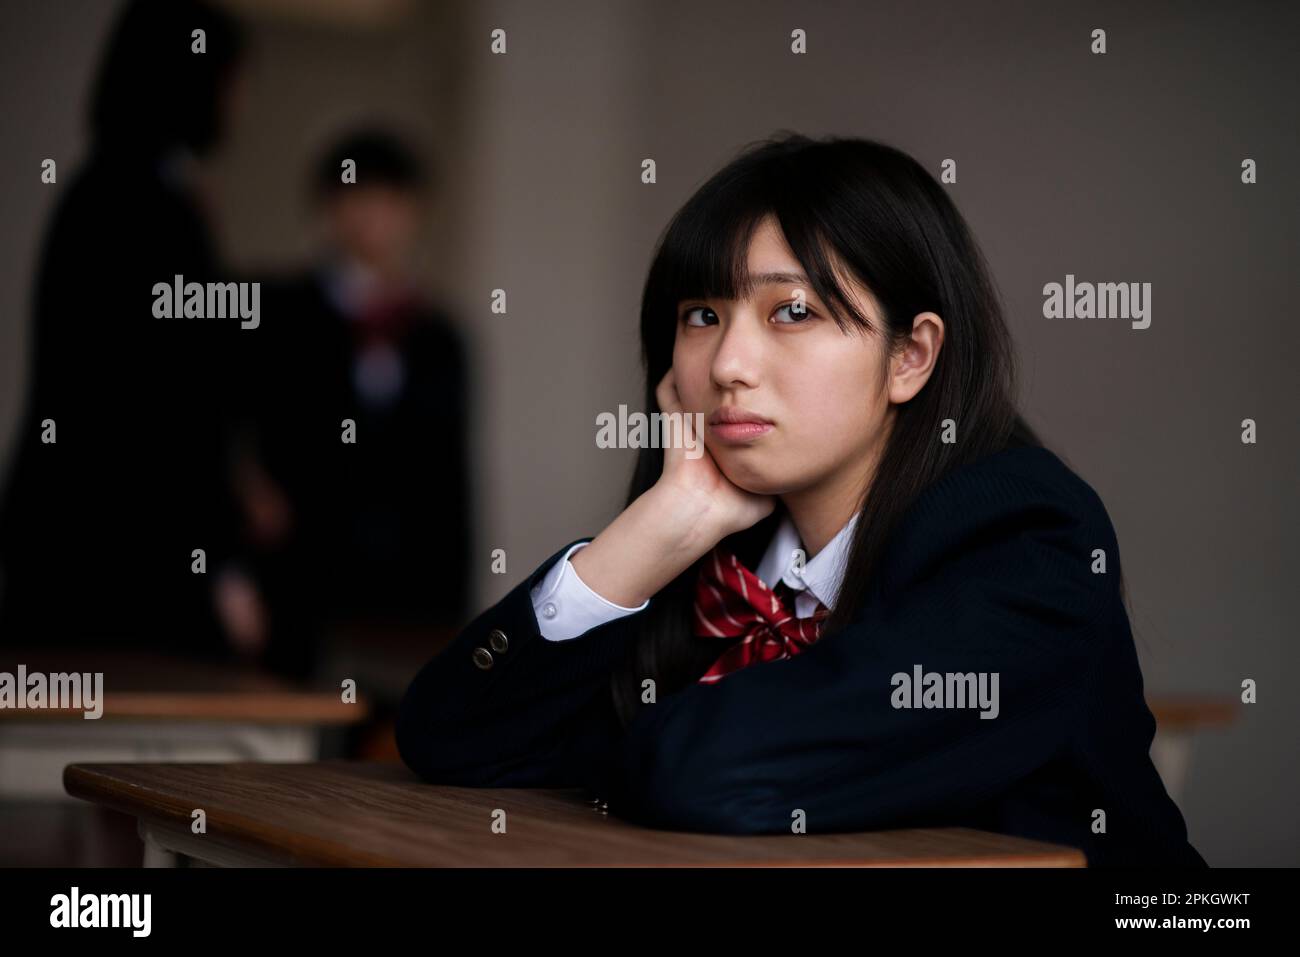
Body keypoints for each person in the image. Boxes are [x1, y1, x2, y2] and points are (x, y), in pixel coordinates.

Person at [394, 133, 1206, 868]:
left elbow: (708, 773)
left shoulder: (1023, 532)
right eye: (703, 313)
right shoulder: (723, 552)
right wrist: (653, 533)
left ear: (910, 357)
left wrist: (624, 754)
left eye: (793, 311)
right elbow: (448, 737)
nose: (728, 364)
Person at [0, 0, 251, 656]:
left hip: (70, 532)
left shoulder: (97, 192)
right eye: (232, 80)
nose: (240, 103)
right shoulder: (151, 208)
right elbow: (173, 398)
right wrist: (219, 559)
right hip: (126, 547)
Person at [229, 129, 472, 678]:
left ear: (415, 211)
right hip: (294, 572)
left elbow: (453, 473)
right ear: (328, 208)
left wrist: (453, 605)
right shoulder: (275, 311)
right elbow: (221, 424)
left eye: (389, 201)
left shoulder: (440, 334)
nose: (373, 217)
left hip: (403, 586)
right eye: (356, 197)